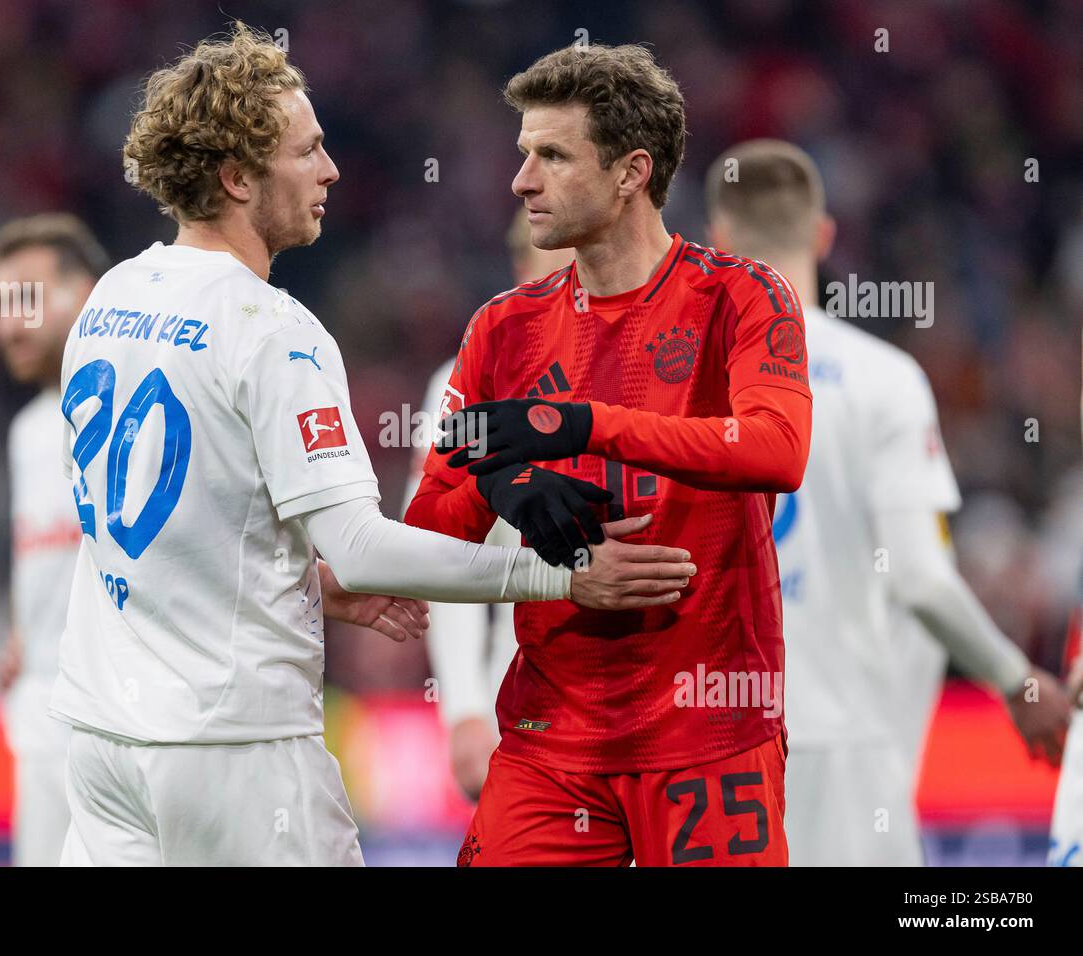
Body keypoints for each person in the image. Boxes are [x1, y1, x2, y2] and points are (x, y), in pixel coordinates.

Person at [51, 24, 687, 867]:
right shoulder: (274, 330)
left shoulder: (112, 295)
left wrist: (303, 585)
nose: (330, 170)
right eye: (308, 151)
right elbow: (363, 546)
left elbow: (154, 520)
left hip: (99, 736)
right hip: (229, 747)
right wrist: (561, 573)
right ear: (237, 177)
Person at [411, 42, 811, 866]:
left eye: (551, 156)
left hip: (710, 730)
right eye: (525, 155)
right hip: (549, 743)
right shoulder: (501, 327)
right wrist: (505, 480)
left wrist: (583, 424)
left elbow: (776, 450)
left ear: (633, 171)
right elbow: (428, 527)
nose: (523, 181)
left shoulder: (743, 296)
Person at [704, 138, 1074, 865]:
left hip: (701, 749)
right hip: (845, 742)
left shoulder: (669, 386)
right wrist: (1016, 684)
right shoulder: (884, 379)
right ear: (822, 233)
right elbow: (919, 579)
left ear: (716, 240)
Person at [404, 209, 573, 801]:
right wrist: (465, 707)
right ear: (521, 271)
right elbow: (437, 555)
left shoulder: (646, 371)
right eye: (556, 268)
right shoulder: (469, 382)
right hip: (524, 702)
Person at [0, 213, 112, 866]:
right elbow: (37, 550)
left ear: (85, 292)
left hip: (126, 721)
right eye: (0, 306)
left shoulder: (143, 402)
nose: (9, 324)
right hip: (41, 720)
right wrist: (21, 630)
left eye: (26, 300)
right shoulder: (29, 431)